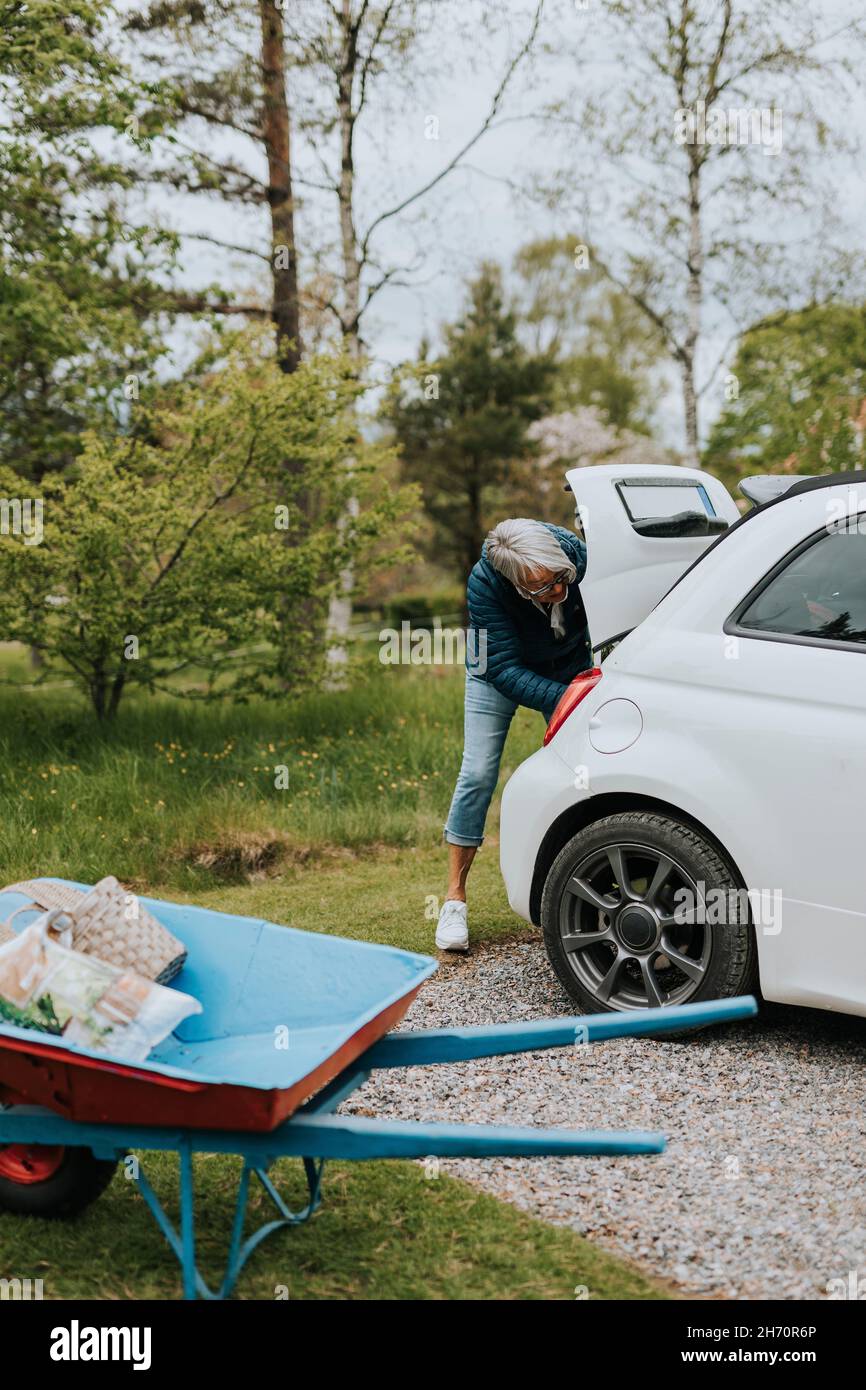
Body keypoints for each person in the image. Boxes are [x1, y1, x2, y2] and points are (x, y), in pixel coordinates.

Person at [436, 517, 593, 951]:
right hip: (497, 673)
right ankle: (453, 900)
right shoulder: (486, 583)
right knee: (478, 774)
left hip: (566, 668)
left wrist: (583, 684)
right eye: (540, 589)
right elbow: (501, 668)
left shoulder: (580, 557)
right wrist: (567, 697)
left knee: (584, 770)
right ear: (516, 584)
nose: (556, 592)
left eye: (559, 581)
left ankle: (585, 882)